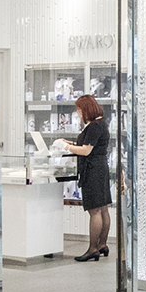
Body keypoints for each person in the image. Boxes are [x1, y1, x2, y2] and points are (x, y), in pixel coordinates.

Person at [55, 94, 112, 259]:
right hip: (101, 168)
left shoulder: (94, 126)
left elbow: (86, 150)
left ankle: (93, 248)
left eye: (79, 110)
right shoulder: (101, 124)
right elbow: (89, 145)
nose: (79, 114)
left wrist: (65, 147)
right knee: (103, 208)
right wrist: (71, 144)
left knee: (94, 210)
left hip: (92, 170)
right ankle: (102, 244)